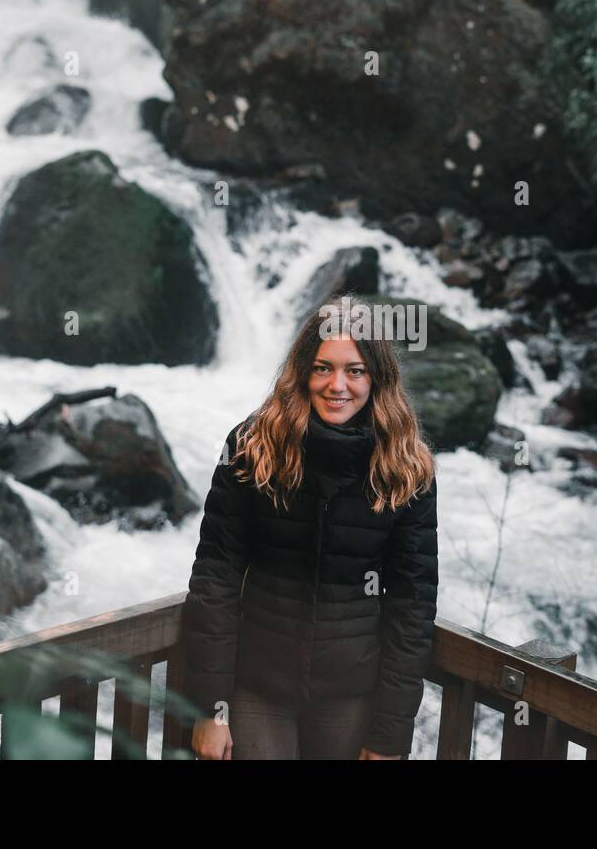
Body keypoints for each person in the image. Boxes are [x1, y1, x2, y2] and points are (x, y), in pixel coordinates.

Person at [182, 295, 439, 759]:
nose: (336, 385)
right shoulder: (253, 446)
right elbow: (214, 580)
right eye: (323, 367)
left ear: (377, 377)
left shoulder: (405, 466)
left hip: (350, 692)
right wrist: (211, 710)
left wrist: (389, 734)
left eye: (354, 370)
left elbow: (412, 609)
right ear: (301, 371)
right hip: (259, 685)